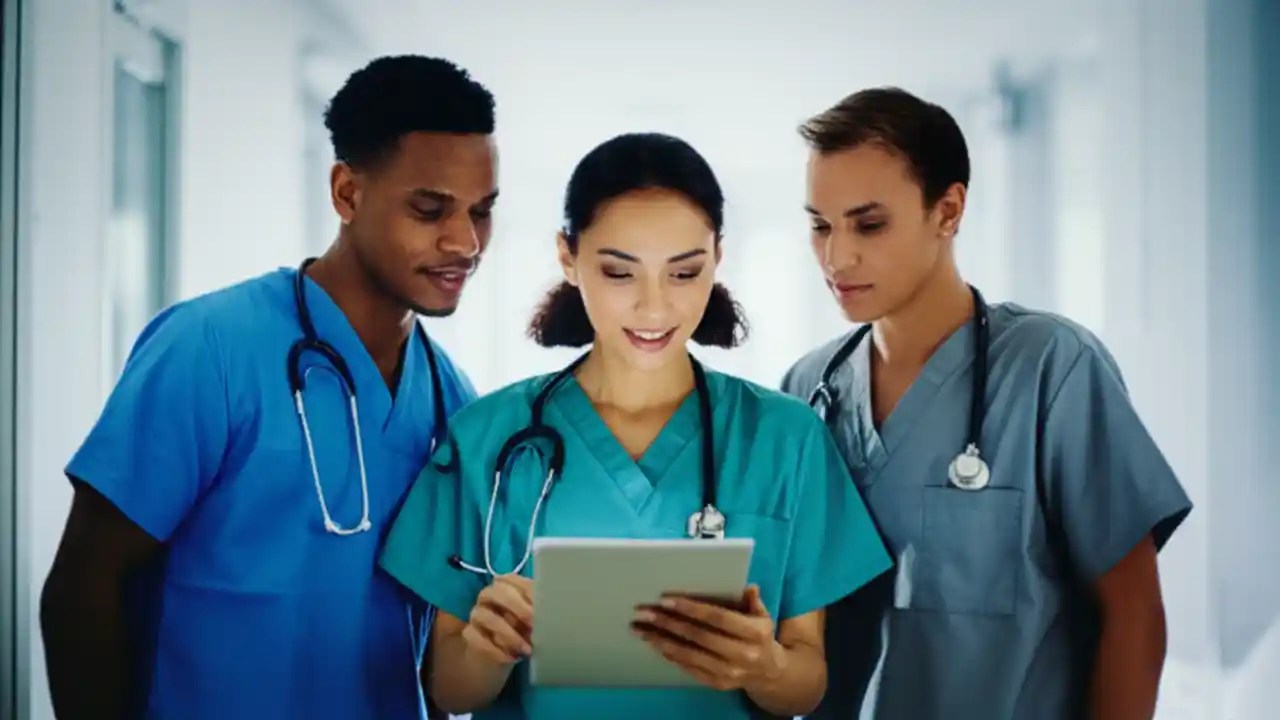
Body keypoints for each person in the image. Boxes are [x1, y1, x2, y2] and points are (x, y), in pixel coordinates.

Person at [39, 55, 497, 720]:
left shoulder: (455, 402)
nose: (465, 242)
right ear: (347, 193)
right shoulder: (210, 347)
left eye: (482, 212)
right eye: (430, 209)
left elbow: (444, 655)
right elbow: (85, 586)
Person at [378, 132, 891, 719]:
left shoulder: (784, 438)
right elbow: (449, 690)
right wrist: (487, 650)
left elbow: (807, 684)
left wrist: (763, 666)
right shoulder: (487, 438)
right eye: (621, 273)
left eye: (683, 273)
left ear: (717, 260)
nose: (654, 308)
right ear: (568, 257)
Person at [780, 87, 1194, 720]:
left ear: (947, 211)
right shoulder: (808, 391)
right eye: (819, 226)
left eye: (869, 224)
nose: (837, 256)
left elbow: (1135, 613)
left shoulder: (1050, 367)